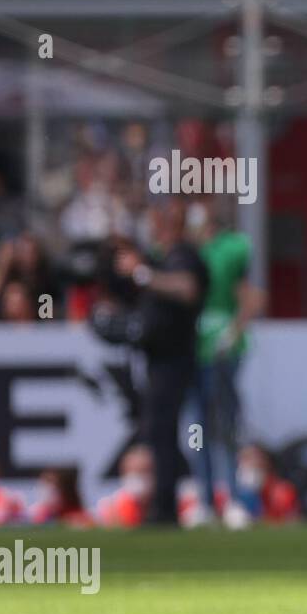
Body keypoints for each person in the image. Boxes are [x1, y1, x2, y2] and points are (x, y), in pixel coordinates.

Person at [113, 199, 209, 525]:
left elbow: (187, 288)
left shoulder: (182, 255)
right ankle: (164, 502)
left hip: (175, 358)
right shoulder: (162, 258)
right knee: (158, 431)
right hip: (159, 358)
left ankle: (166, 505)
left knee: (164, 430)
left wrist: (142, 273)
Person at [188, 196, 264, 523]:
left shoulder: (232, 249)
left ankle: (231, 497)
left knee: (225, 424)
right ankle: (205, 499)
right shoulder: (182, 252)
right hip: (192, 348)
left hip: (222, 348)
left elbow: (251, 295)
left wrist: (234, 330)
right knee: (197, 426)